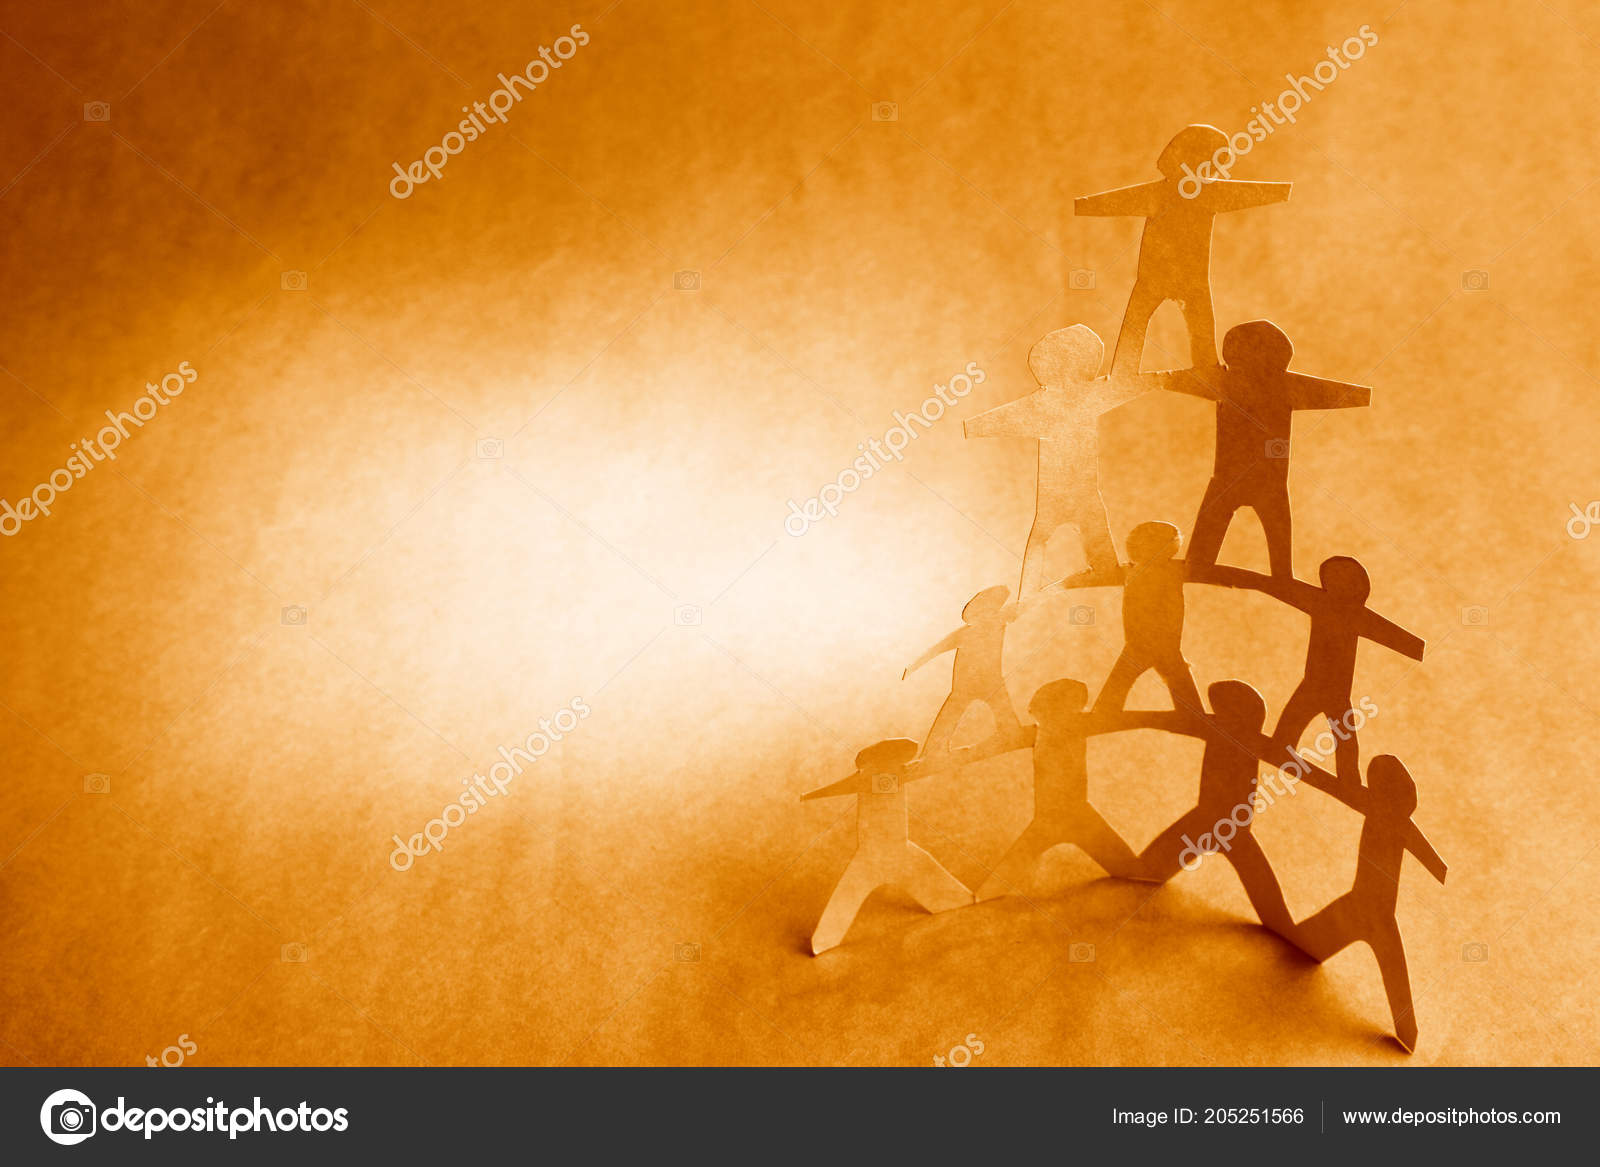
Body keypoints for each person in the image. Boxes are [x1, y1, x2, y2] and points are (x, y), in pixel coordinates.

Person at [1162, 320, 1370, 578]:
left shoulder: (1247, 382)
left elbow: (1171, 380)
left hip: (1249, 478)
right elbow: (1174, 380)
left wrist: (1158, 380)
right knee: (1262, 532)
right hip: (1254, 477)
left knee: (1251, 529)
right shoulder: (1255, 383)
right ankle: (1274, 575)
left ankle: (1217, 567)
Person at [1076, 124, 1291, 373]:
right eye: (1213, 161)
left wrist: (1282, 191)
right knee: (1161, 322)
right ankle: (1198, 370)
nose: (1216, 170)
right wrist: (1282, 191)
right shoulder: (1188, 193)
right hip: (1169, 277)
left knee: (1165, 322)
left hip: (1179, 277)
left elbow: (1248, 192)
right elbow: (1114, 202)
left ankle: (1140, 371)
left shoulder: (1204, 193)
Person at [963, 326, 1156, 594]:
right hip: (1064, 492)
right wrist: (1164, 380)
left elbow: (1131, 386)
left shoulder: (1077, 397)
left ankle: (1086, 577)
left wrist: (969, 427)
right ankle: (1084, 578)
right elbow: (1131, 386)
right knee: (1049, 535)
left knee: (1056, 535)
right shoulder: (1071, 398)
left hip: (1074, 492)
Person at [1194, 555, 1423, 779]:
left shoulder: (1359, 617)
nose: (1338, 584)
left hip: (1337, 692)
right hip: (1312, 686)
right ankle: (1286, 749)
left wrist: (1429, 647)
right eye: (1332, 578)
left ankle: (1347, 778)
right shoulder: (1318, 600)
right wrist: (1236, 578)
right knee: (1292, 729)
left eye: (1346, 579)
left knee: (1344, 738)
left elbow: (1403, 641)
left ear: (1359, 588)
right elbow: (1275, 587)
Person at [1285, 754, 1448, 1051]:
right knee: (1310, 942)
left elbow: (1437, 866)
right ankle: (1407, 1032)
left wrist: (1442, 870)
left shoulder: (1392, 818)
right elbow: (1328, 785)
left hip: (1374, 911)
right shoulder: (1379, 808)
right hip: (1361, 905)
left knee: (1391, 968)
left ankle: (1407, 1032)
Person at [976, 679, 1183, 899]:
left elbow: (1124, 720)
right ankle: (986, 891)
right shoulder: (1044, 731)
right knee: (1129, 870)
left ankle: (986, 891)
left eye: (1077, 706)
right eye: (1073, 704)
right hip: (1053, 815)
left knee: (1129, 869)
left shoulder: (1075, 725)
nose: (1076, 710)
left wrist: (1157, 719)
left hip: (1075, 813)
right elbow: (1125, 720)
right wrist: (1157, 719)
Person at [802, 739, 973, 954]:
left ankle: (956, 899)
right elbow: (843, 786)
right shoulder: (868, 778)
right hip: (871, 852)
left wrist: (961, 753)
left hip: (898, 847)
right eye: (886, 758)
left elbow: (931, 765)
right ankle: (824, 942)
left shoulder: (900, 773)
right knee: (850, 892)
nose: (892, 764)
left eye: (895, 758)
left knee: (929, 877)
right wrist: (809, 795)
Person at [904, 585, 1024, 756]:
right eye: (984, 612)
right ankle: (934, 749)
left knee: (1001, 706)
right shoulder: (965, 633)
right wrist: (913, 667)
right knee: (951, 713)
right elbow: (937, 649)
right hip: (965, 683)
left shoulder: (999, 622)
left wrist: (1056, 588)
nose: (988, 615)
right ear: (976, 615)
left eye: (992, 610)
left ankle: (1010, 732)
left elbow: (1022, 607)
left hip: (991, 679)